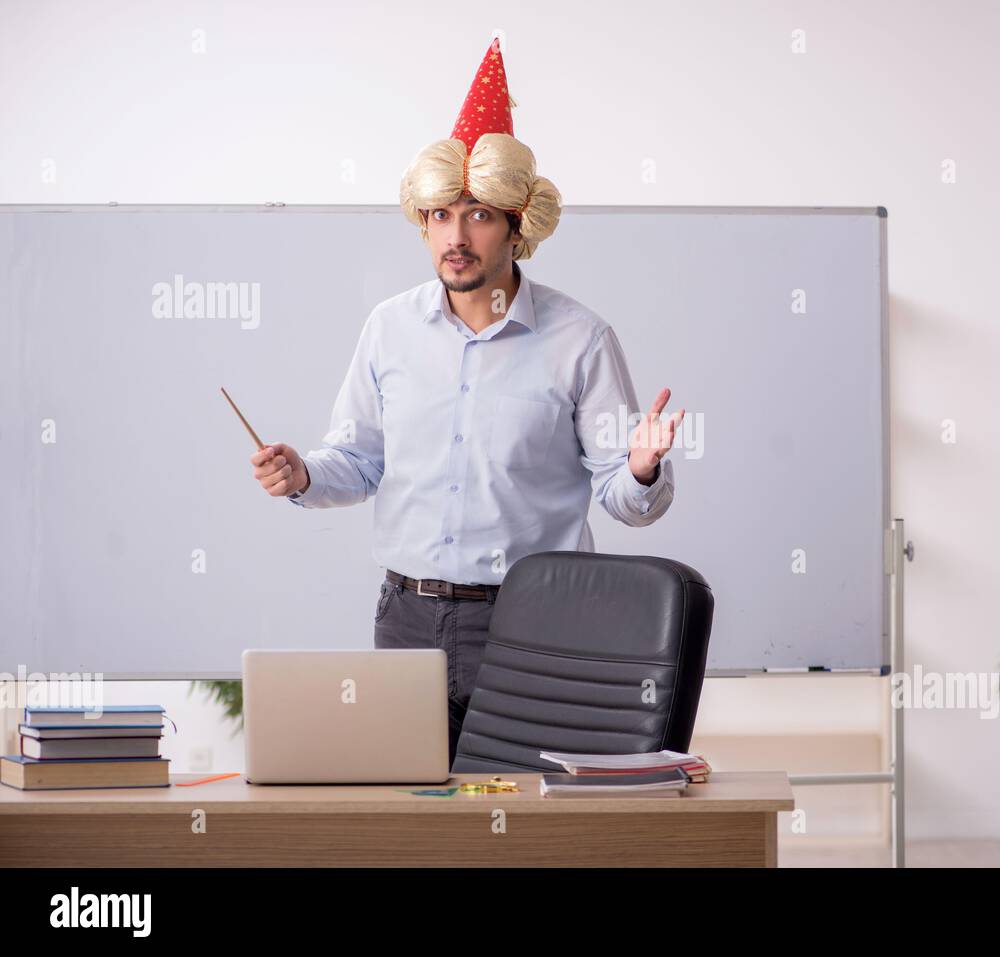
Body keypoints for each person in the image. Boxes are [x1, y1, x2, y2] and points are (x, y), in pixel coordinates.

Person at [248, 36, 684, 760]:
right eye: (442, 216)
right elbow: (358, 461)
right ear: (423, 224)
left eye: (479, 215)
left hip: (534, 622)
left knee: (524, 816)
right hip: (407, 618)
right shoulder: (388, 329)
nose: (458, 235)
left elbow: (624, 497)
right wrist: (303, 474)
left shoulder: (581, 339)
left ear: (517, 226)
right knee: (410, 815)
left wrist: (638, 469)